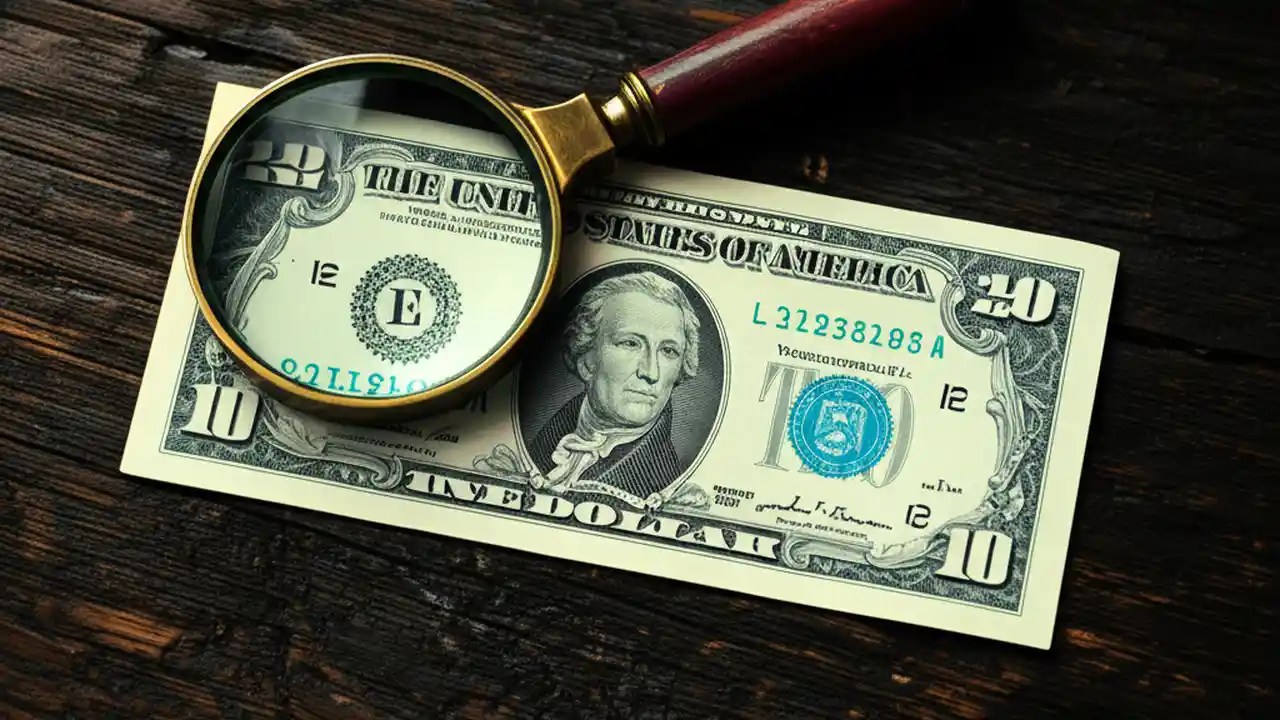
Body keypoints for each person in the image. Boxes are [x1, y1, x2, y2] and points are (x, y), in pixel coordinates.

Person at [527, 271, 700, 502]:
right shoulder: (542, 442)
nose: (651, 372)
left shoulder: (663, 484)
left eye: (668, 351)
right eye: (630, 343)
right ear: (587, 360)